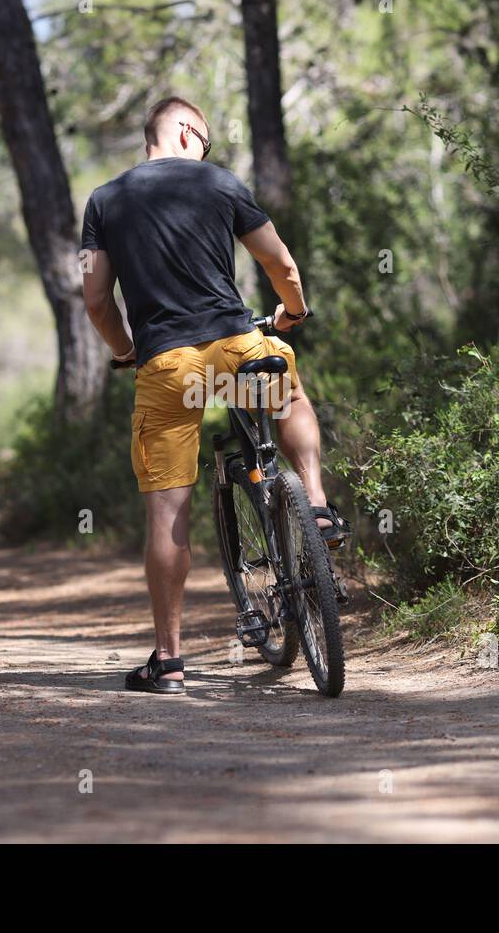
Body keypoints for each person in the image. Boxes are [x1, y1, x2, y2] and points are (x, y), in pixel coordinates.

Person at [81, 95, 338, 696]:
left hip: (168, 368)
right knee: (289, 394)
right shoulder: (219, 183)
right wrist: (293, 313)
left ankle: (168, 662)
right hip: (235, 348)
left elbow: (94, 299)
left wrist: (124, 350)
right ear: (189, 133)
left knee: (168, 513)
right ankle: (318, 503)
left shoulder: (104, 202)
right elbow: (283, 266)